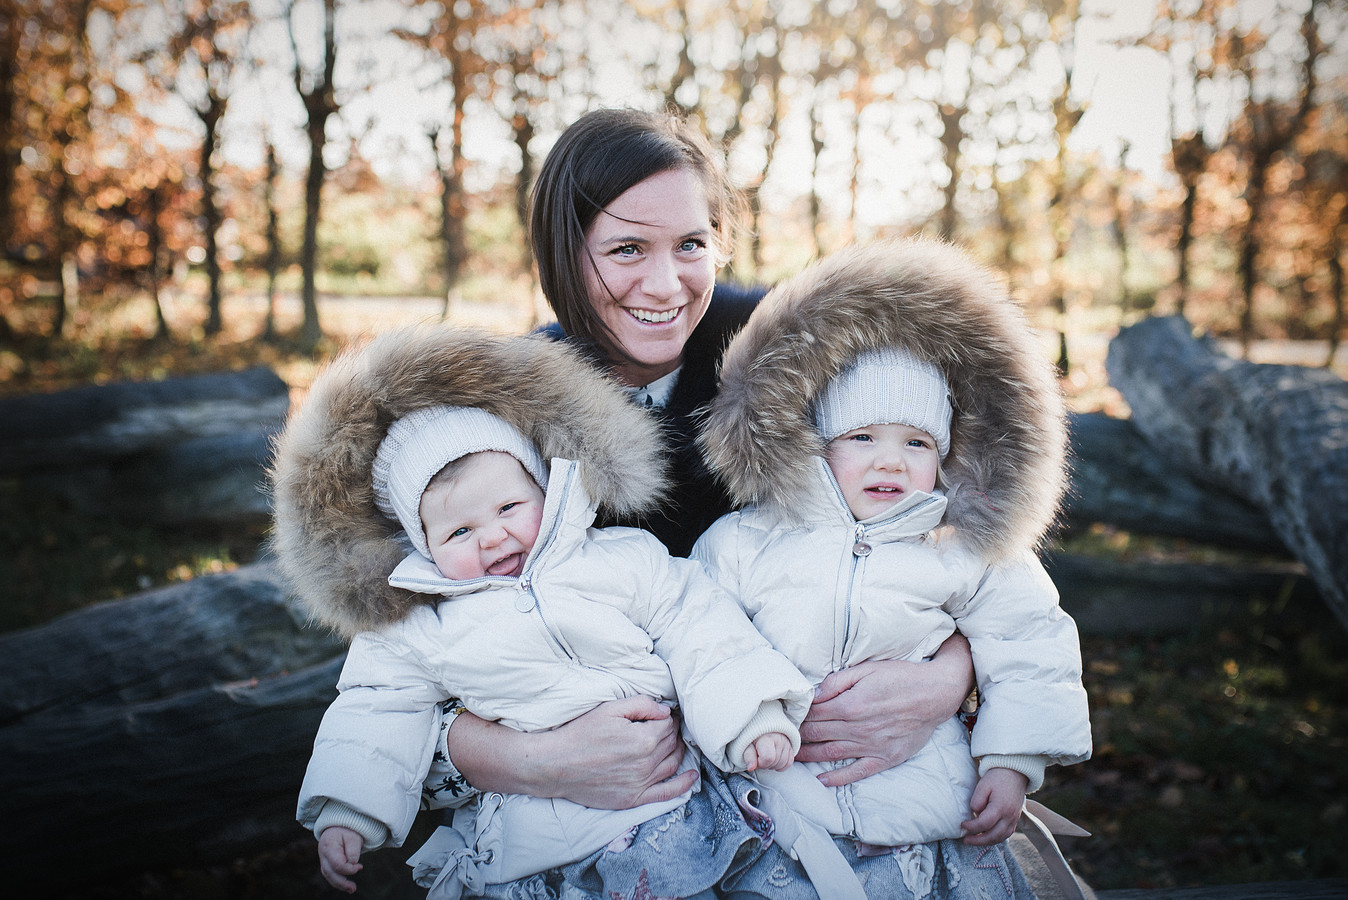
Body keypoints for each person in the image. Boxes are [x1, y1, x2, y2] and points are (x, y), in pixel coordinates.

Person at [436, 108, 979, 836]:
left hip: (834, 788)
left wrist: (948, 680)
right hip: (611, 810)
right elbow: (409, 660)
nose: (665, 285)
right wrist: (529, 760)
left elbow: (972, 540)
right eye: (627, 249)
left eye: (691, 243)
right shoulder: (503, 417)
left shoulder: (798, 357)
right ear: (564, 252)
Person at [272, 327, 813, 897]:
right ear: (421, 545)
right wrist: (348, 810)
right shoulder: (415, 627)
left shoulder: (620, 561)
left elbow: (703, 627)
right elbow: (375, 710)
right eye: (459, 530)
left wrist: (750, 717)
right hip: (534, 840)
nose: (493, 536)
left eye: (508, 506)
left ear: (546, 490)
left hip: (672, 807)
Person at [691, 237, 1094, 898]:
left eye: (916, 442)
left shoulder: (960, 548)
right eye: (862, 438)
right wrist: (746, 714)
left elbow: (1030, 642)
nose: (890, 461)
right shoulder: (744, 542)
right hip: (784, 805)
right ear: (815, 446)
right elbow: (701, 637)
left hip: (925, 808)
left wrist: (1011, 761)